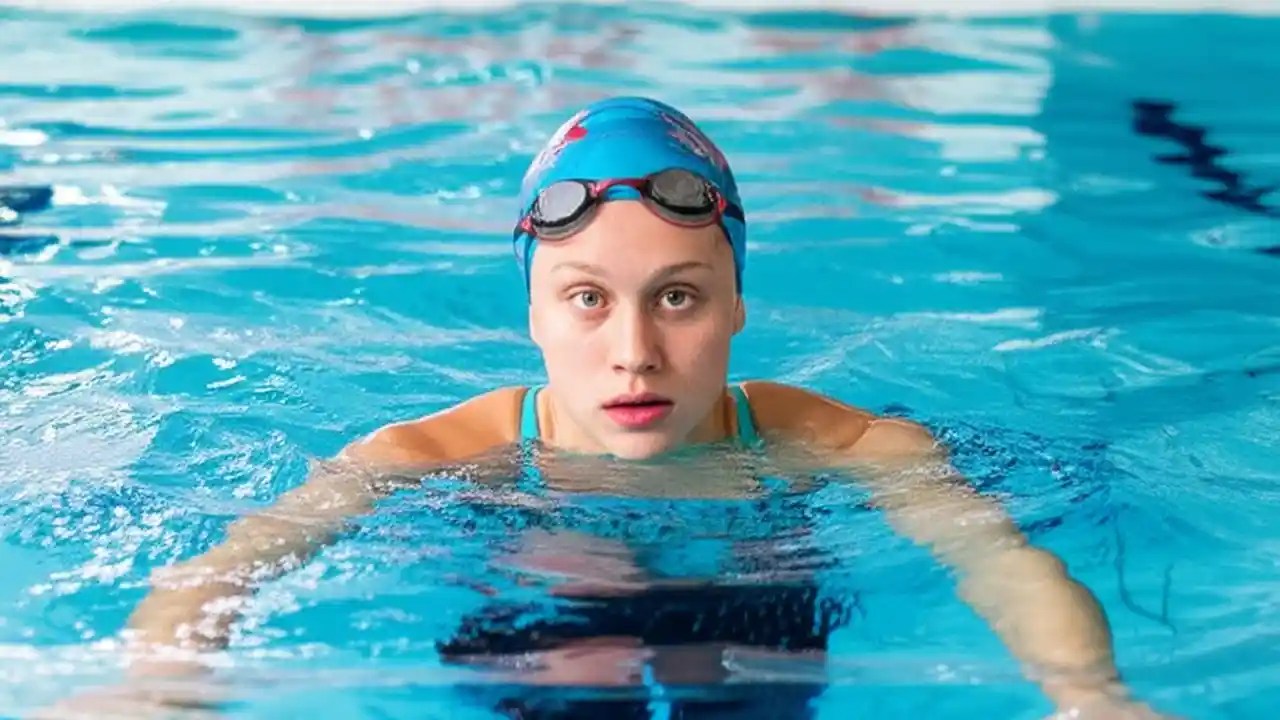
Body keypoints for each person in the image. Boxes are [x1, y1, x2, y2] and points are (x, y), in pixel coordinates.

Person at [45, 96, 1167, 720]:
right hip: (545, 569)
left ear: (735, 303)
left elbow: (995, 558)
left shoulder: (842, 440)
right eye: (586, 300)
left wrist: (1086, 696)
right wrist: (158, 680)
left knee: (733, 687)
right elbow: (243, 558)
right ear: (531, 315)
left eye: (675, 297)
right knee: (573, 672)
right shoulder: (433, 452)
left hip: (740, 595)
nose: (634, 353)